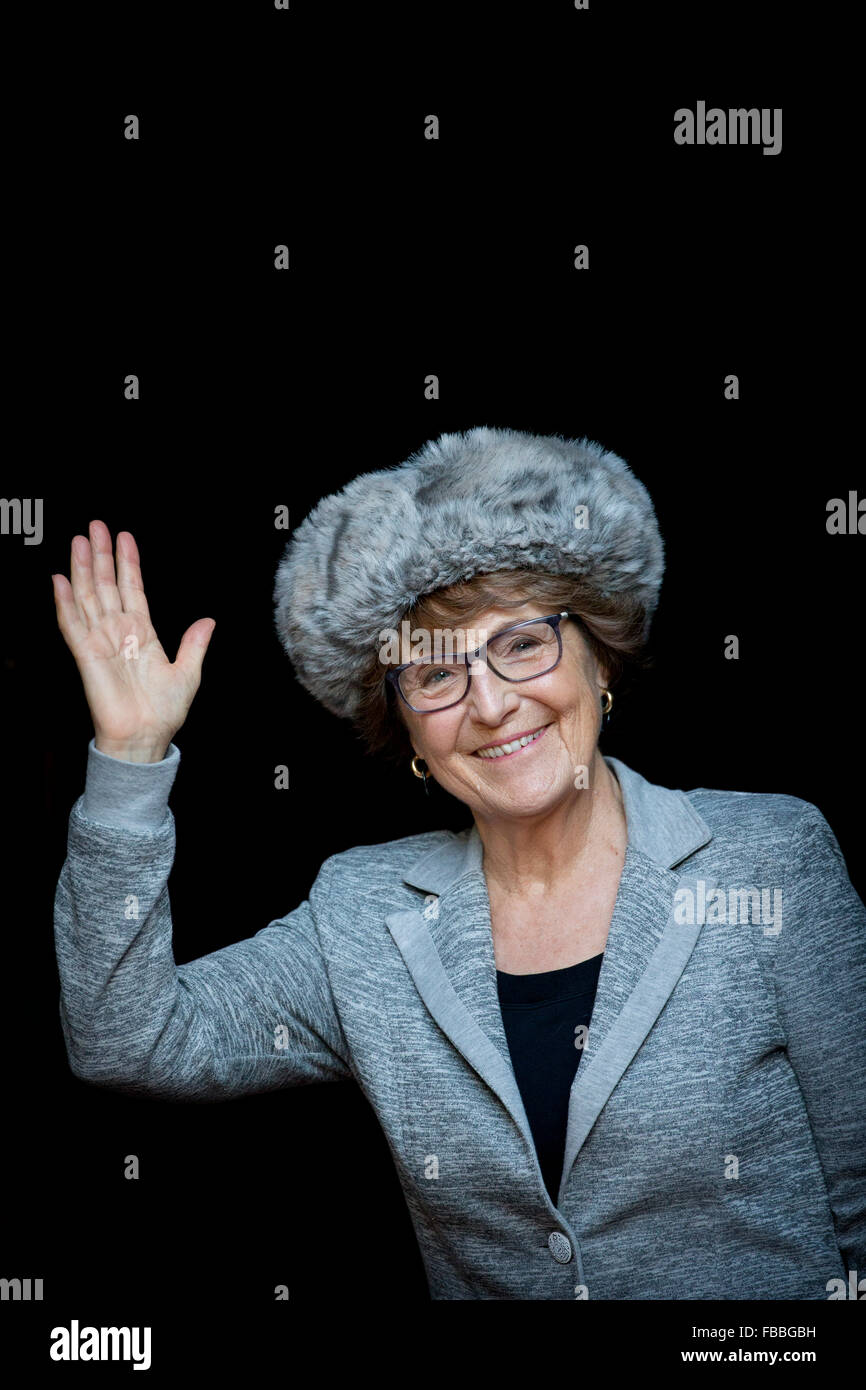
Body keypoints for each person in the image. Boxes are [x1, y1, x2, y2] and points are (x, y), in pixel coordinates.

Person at [51, 425, 866, 1300]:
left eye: (523, 643)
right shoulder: (360, 915)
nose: (490, 704)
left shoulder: (766, 859)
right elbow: (127, 1041)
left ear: (599, 659)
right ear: (404, 727)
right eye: (435, 676)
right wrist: (129, 760)